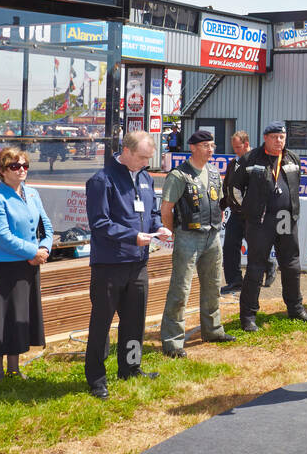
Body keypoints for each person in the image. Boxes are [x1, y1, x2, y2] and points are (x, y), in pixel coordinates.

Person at [84, 131, 173, 399]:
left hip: (138, 263)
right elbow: (99, 224)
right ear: (126, 150)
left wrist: (160, 228)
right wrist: (132, 237)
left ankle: (131, 366)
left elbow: (153, 212)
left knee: (135, 320)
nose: (146, 163)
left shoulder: (144, 177)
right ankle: (97, 379)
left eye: (149, 158)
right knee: (102, 323)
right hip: (110, 265)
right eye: (142, 157)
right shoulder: (102, 180)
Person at [229, 123, 307, 331]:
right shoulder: (250, 159)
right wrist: (250, 211)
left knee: (292, 265)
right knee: (256, 267)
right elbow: (234, 190)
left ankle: (295, 309)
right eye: (275, 137)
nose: (279, 141)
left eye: (282, 137)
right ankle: (248, 316)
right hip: (261, 221)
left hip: (286, 218)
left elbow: (295, 185)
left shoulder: (292, 158)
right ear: (265, 138)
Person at [159, 131, 235, 357]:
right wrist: (173, 234)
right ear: (192, 148)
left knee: (213, 285)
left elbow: (219, 201)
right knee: (180, 289)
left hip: (212, 236)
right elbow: (166, 209)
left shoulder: (213, 171)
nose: (210, 149)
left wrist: (218, 220)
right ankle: (173, 341)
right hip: (188, 236)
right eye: (204, 145)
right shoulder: (179, 175)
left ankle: (213, 330)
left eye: (212, 145)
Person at [0, 147, 53, 379]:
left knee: (19, 317)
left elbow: (46, 226)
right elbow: (1, 235)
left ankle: (14, 368)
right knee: (1, 320)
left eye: (25, 166)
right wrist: (33, 251)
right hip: (6, 268)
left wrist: (45, 248)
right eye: (15, 166)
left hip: (28, 266)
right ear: (2, 170)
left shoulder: (32, 193)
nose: (21, 170)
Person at [219, 130, 250, 295]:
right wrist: (221, 206)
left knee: (257, 246)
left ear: (246, 144)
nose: (235, 150)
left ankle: (268, 264)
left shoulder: (255, 162)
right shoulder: (232, 164)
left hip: (252, 214)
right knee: (230, 246)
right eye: (234, 147)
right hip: (236, 212)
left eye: (238, 147)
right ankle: (234, 281)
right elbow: (227, 188)